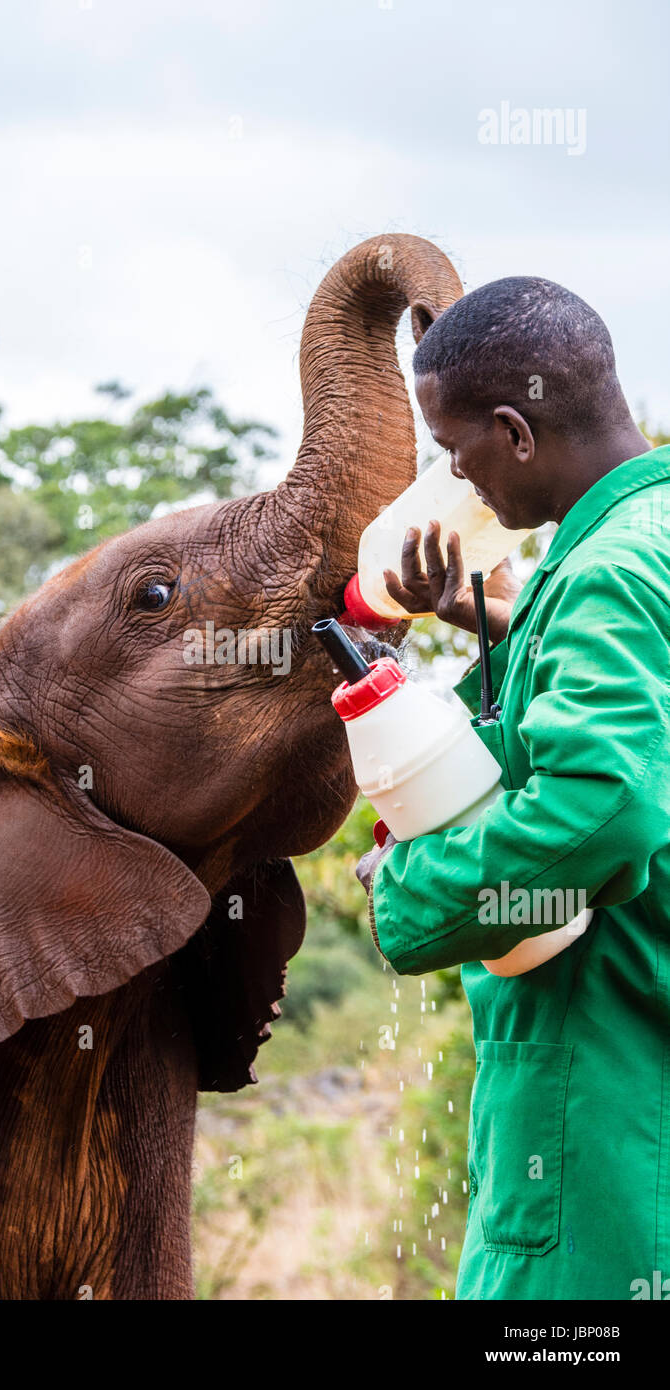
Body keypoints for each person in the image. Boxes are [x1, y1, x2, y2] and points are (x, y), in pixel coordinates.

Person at [355, 276, 670, 1301]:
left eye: (454, 448)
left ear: (513, 429)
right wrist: (496, 626)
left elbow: (602, 807)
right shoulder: (643, 541)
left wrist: (409, 887)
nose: (452, 474)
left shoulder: (600, 578)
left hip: (595, 1107)